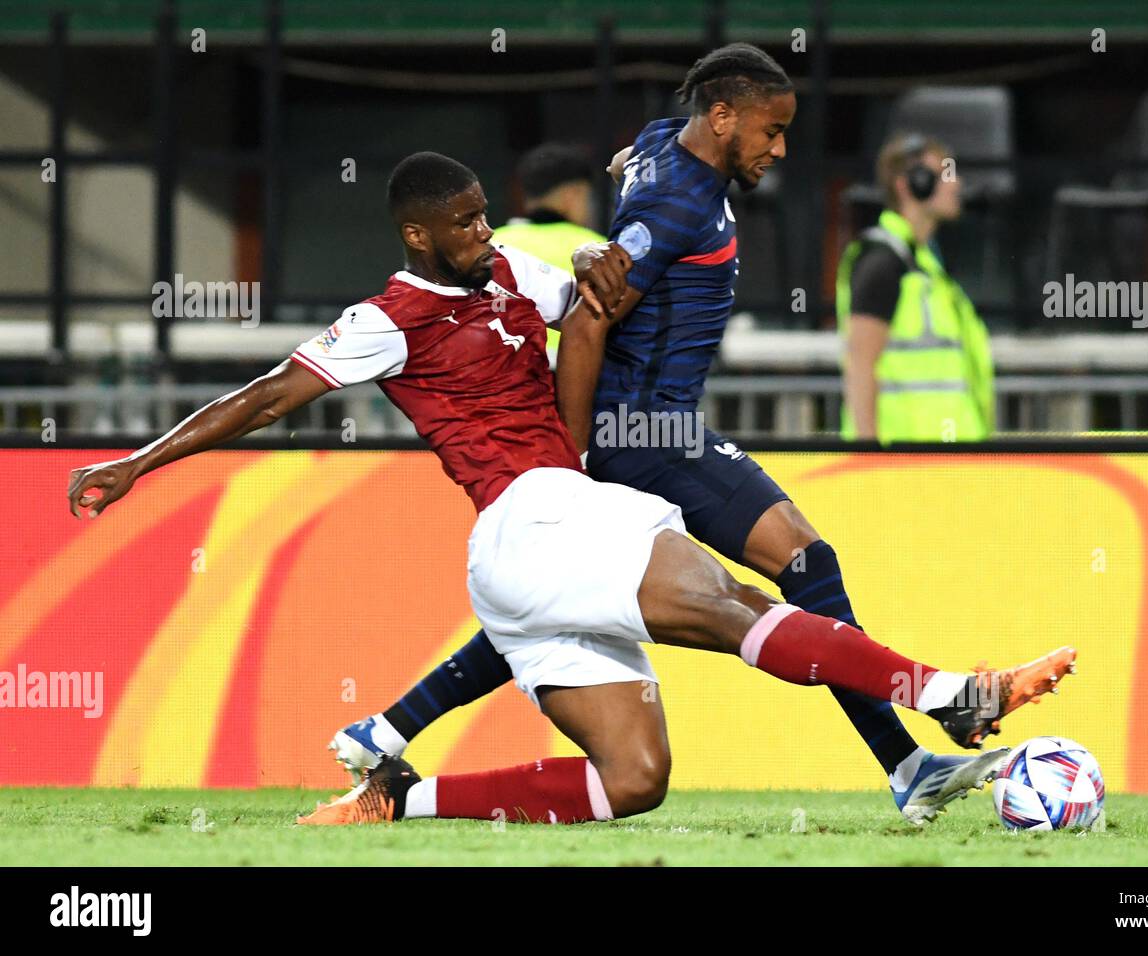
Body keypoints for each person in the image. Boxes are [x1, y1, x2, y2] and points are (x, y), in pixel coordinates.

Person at [67, 151, 1074, 826]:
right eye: (460, 224)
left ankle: (394, 796)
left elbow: (591, 301)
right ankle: (947, 693)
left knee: (636, 782)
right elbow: (264, 396)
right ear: (416, 237)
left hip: (532, 555)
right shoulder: (389, 315)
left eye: (480, 215)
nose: (480, 231)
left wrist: (603, 258)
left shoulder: (509, 271)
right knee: (735, 605)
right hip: (530, 514)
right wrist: (135, 462)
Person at [330, 45, 1015, 826]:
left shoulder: (664, 140)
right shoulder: (676, 206)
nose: (779, 148)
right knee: (799, 565)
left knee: (567, 605)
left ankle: (385, 729)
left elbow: (640, 151)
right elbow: (590, 315)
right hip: (645, 429)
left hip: (663, 422)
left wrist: (630, 171)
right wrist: (577, 457)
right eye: (771, 129)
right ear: (721, 118)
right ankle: (911, 753)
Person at [838, 133, 995, 443]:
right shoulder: (882, 264)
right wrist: (869, 456)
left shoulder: (927, 268)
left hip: (941, 459)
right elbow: (861, 367)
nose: (957, 184)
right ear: (910, 184)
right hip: (901, 464)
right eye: (945, 174)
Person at [492, 143, 606, 354]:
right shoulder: (597, 248)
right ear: (573, 194)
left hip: (509, 371)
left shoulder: (492, 244)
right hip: (572, 371)